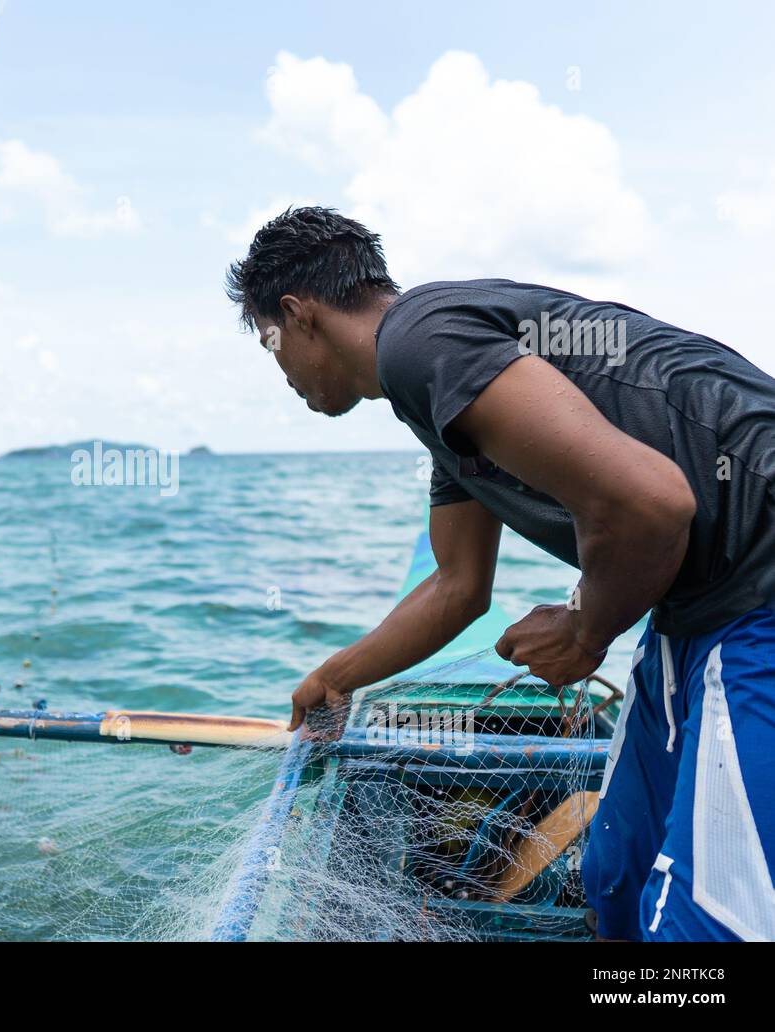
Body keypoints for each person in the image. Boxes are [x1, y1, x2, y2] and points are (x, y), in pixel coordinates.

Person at [225, 206, 775, 941]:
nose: (282, 373)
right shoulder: (436, 386)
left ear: (300, 316)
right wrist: (338, 675)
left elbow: (650, 501)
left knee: (709, 924)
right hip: (698, 604)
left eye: (268, 343)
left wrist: (585, 632)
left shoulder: (424, 345)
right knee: (615, 875)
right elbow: (458, 586)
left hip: (759, 585)